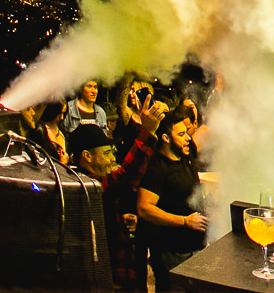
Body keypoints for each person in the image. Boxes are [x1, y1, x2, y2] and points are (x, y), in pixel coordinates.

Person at [71, 94, 169, 290]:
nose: (110, 160)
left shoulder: (88, 183)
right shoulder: (84, 185)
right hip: (107, 280)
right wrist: (148, 131)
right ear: (87, 156)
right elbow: (125, 177)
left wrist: (116, 217)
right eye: (106, 153)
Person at [136, 113, 206, 291]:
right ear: (166, 138)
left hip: (195, 247)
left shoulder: (186, 157)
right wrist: (184, 221)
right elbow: (144, 208)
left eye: (187, 133)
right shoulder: (158, 168)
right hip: (172, 251)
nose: (188, 138)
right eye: (181, 135)